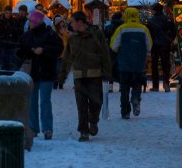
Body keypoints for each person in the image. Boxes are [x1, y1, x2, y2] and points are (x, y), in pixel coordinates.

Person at [60, 11, 111, 141]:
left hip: (95, 75)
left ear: (80, 22)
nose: (71, 24)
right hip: (79, 76)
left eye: (73, 21)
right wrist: (62, 76)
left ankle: (93, 121)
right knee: (81, 105)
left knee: (96, 102)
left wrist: (107, 73)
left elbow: (105, 54)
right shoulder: (72, 38)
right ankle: (83, 131)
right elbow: (66, 58)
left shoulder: (96, 34)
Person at [18, 10, 63, 139]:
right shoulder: (27, 36)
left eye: (32, 21)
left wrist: (44, 50)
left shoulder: (50, 34)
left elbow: (59, 49)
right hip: (32, 73)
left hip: (46, 72)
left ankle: (47, 128)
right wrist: (31, 52)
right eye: (29, 21)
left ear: (37, 22)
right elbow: (19, 51)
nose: (30, 23)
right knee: (32, 101)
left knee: (44, 101)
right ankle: (33, 128)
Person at [109, 6, 152, 119]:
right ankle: (136, 98)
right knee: (137, 84)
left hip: (124, 64)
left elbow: (114, 46)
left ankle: (125, 111)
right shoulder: (143, 29)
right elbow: (149, 45)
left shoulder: (121, 29)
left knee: (124, 88)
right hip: (139, 64)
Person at [146, 3, 176, 92]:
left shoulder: (151, 21)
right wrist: (169, 40)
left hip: (154, 45)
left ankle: (155, 86)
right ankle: (166, 83)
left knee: (154, 65)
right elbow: (174, 31)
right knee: (165, 64)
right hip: (165, 45)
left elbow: (148, 34)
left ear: (154, 10)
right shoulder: (168, 19)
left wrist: (150, 43)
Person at [102, 11, 124, 93]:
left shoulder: (108, 27)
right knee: (121, 67)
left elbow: (104, 38)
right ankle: (121, 85)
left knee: (111, 67)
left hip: (110, 49)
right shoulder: (123, 27)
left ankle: (110, 86)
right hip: (121, 49)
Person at [0, 6, 20, 71]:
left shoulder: (14, 21)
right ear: (4, 12)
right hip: (2, 47)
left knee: (11, 65)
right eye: (7, 13)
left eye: (9, 13)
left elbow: (17, 34)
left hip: (12, 47)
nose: (8, 15)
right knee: (3, 65)